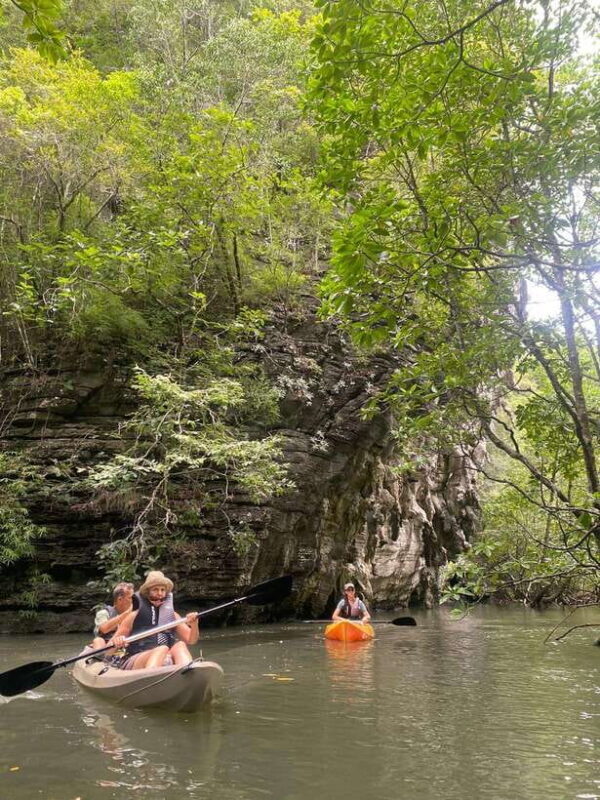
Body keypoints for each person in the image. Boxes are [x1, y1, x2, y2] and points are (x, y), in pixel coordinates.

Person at [109, 570, 199, 670]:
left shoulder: (173, 615)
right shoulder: (134, 615)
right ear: (148, 593)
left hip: (164, 657)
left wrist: (194, 624)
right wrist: (117, 642)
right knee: (161, 649)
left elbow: (191, 640)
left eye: (162, 590)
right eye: (155, 590)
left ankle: (188, 673)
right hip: (136, 659)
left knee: (180, 645)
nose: (160, 593)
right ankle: (150, 676)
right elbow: (108, 650)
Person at [90, 581, 135, 651]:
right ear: (120, 599)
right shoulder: (103, 613)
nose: (133, 601)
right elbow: (104, 629)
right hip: (107, 646)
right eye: (130, 598)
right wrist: (128, 612)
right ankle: (100, 659)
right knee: (98, 640)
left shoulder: (134, 614)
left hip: (125, 644)